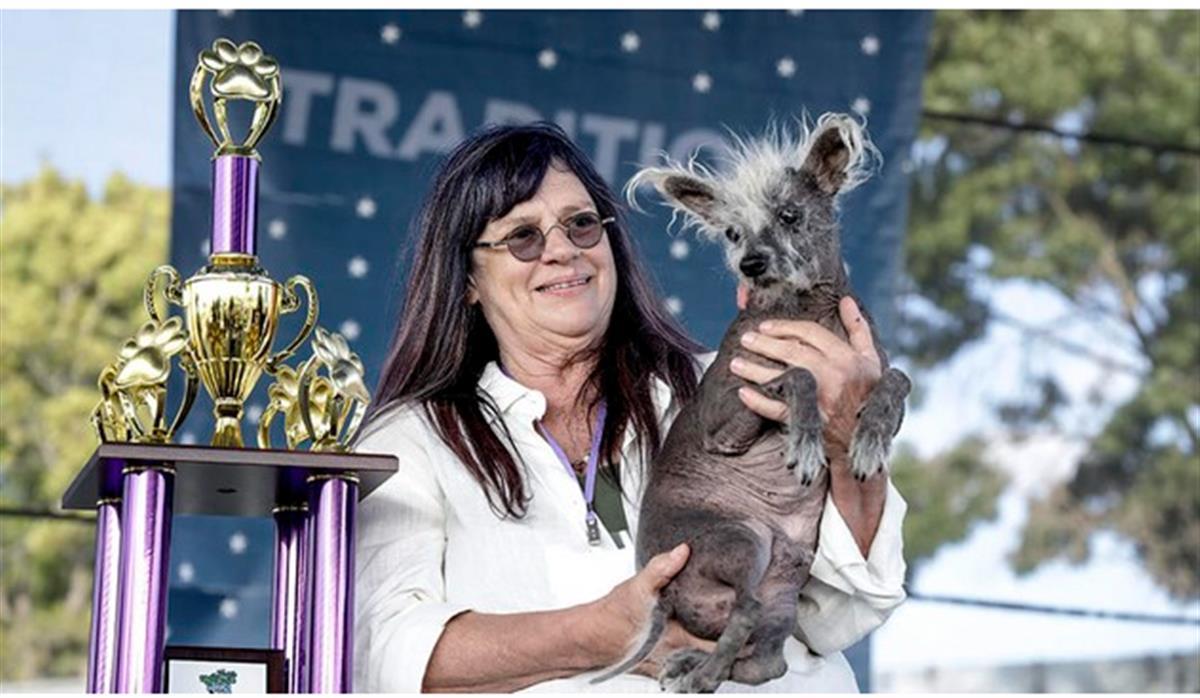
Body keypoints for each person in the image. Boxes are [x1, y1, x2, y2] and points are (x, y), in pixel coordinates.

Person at [353, 122, 907, 693]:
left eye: (581, 224)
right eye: (523, 237)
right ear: (468, 279)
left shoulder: (732, 379)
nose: (562, 250)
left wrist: (847, 441)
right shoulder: (413, 443)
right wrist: (595, 637)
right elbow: (379, 651)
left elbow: (839, 614)